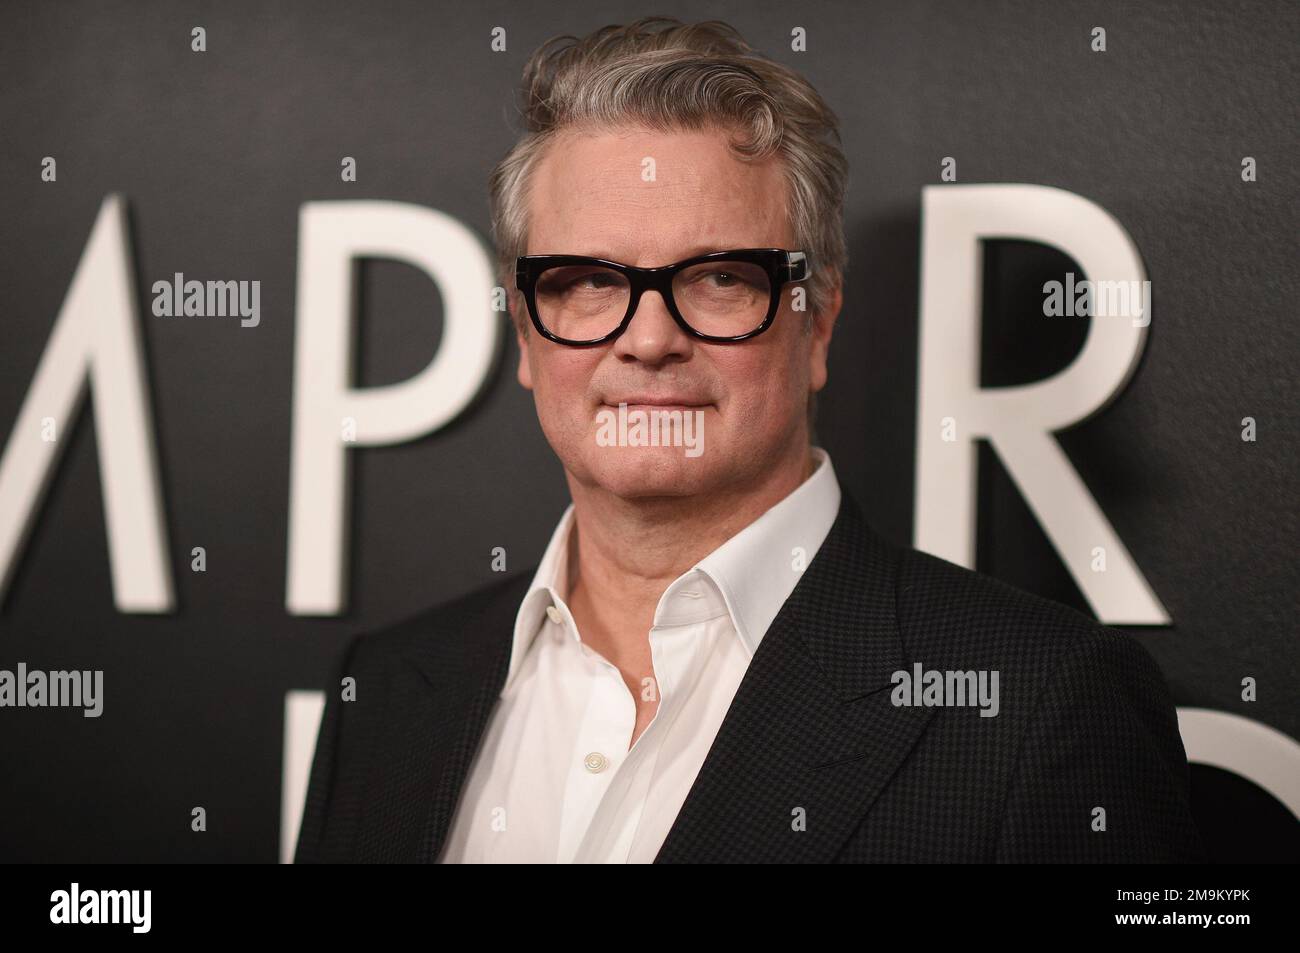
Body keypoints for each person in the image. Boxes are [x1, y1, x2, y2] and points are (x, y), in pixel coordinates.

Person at [295, 16, 1203, 863]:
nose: (648, 340)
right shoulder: (385, 689)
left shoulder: (1043, 701)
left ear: (819, 322)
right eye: (586, 282)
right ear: (526, 331)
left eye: (721, 278)